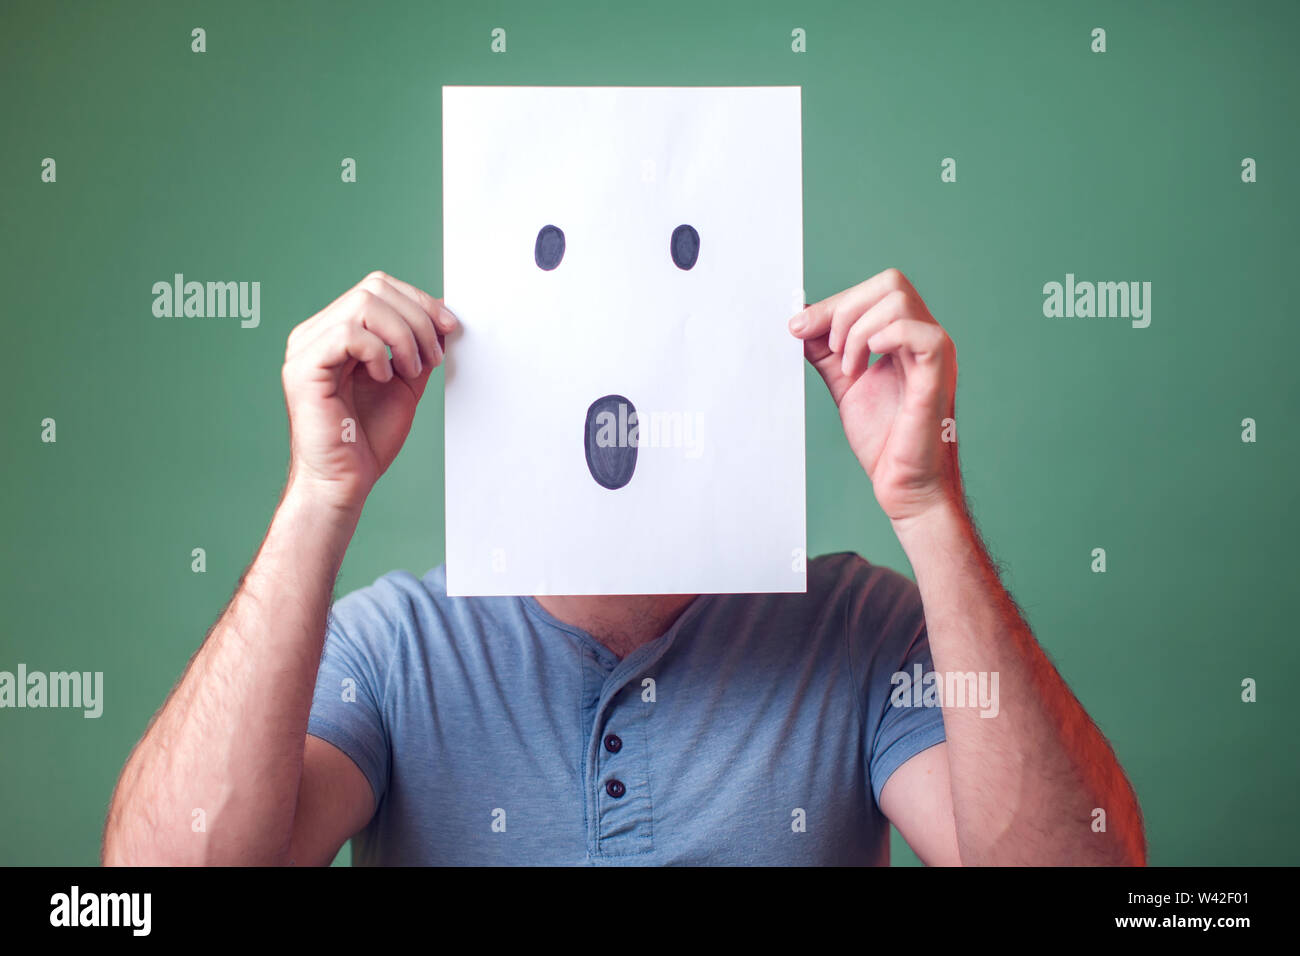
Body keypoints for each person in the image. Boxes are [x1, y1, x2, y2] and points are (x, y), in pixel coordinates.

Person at [102, 267, 1145, 866]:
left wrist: (928, 503)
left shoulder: (862, 632)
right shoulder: (394, 649)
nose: (623, 415)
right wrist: (317, 499)